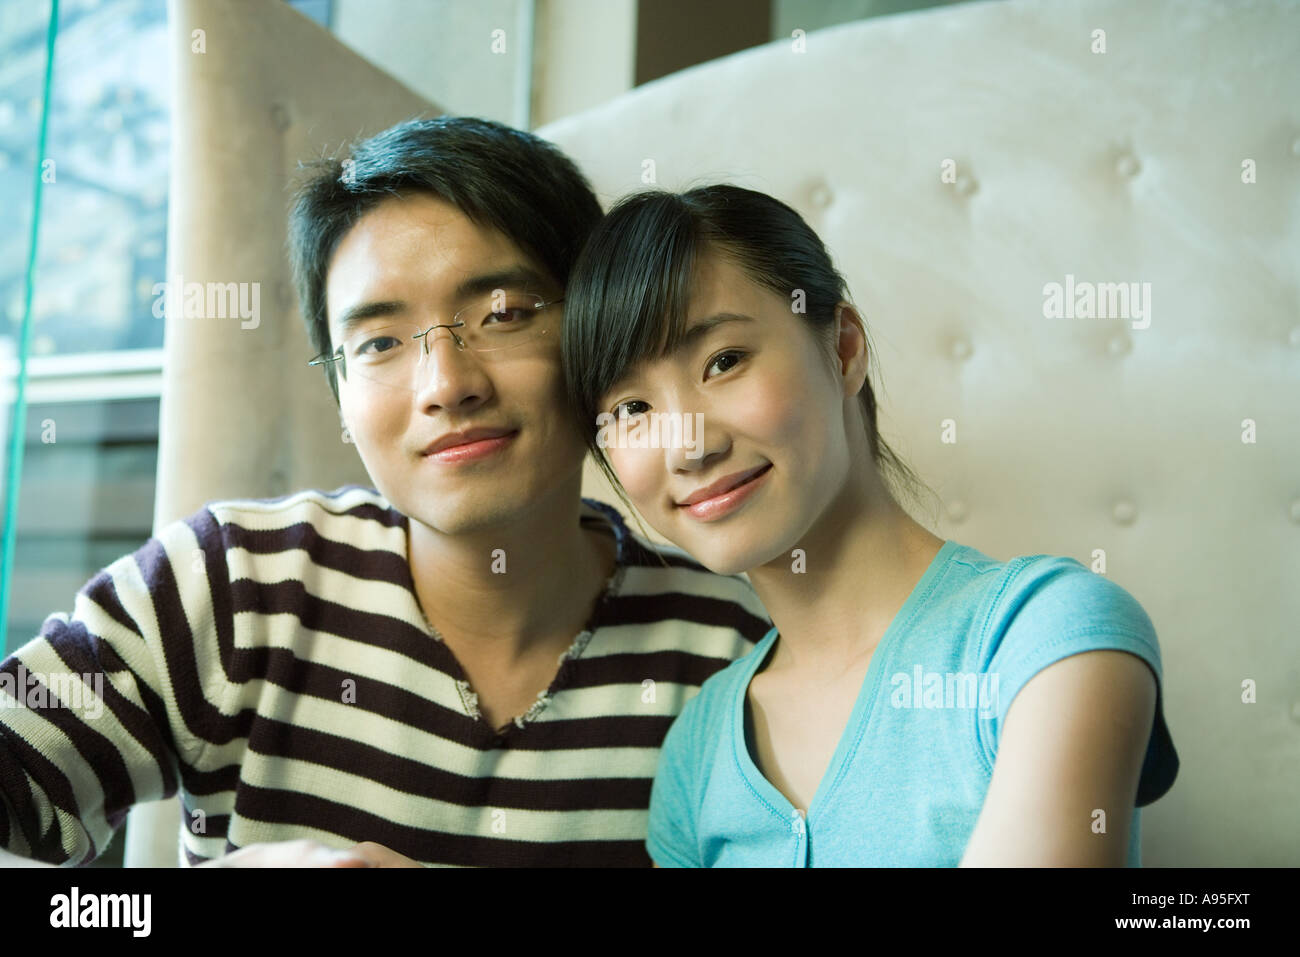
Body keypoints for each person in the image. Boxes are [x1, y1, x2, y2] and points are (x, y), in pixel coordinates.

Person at [0, 119, 771, 868]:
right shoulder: (231, 584)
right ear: (341, 393)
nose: (448, 384)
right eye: (378, 343)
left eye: (503, 314)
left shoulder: (733, 651)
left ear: (599, 333)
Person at [560, 184, 1180, 866]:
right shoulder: (698, 749)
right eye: (633, 406)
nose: (688, 446)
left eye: (724, 361)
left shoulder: (1046, 639)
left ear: (845, 349)